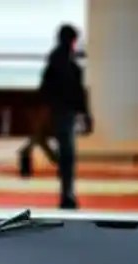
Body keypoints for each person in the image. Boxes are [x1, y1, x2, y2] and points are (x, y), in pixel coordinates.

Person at [35, 23, 93, 209]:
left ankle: (67, 192)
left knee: (65, 152)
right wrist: (85, 114)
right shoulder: (66, 63)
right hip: (63, 112)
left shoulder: (58, 60)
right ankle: (67, 194)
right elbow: (77, 92)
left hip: (60, 111)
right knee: (67, 153)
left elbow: (45, 88)